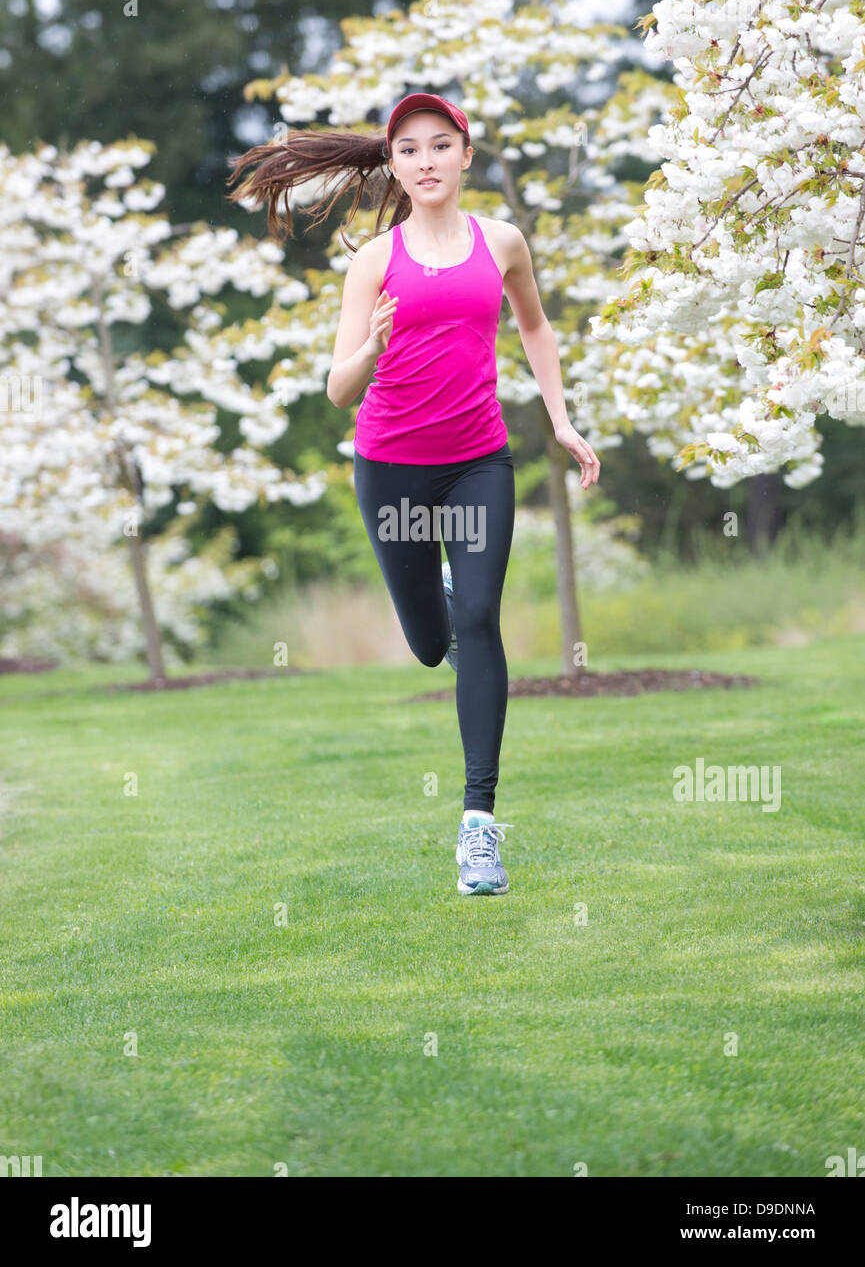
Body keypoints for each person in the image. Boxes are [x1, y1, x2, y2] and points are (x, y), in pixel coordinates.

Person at [226, 92, 600, 896]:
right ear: (391, 166)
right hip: (392, 467)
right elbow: (336, 389)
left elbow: (533, 327)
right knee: (431, 641)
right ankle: (431, 595)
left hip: (477, 462)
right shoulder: (374, 261)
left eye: (439, 145)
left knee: (477, 620)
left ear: (465, 155)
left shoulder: (501, 244)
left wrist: (560, 421)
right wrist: (370, 345)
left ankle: (477, 828)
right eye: (408, 150)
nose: (424, 161)